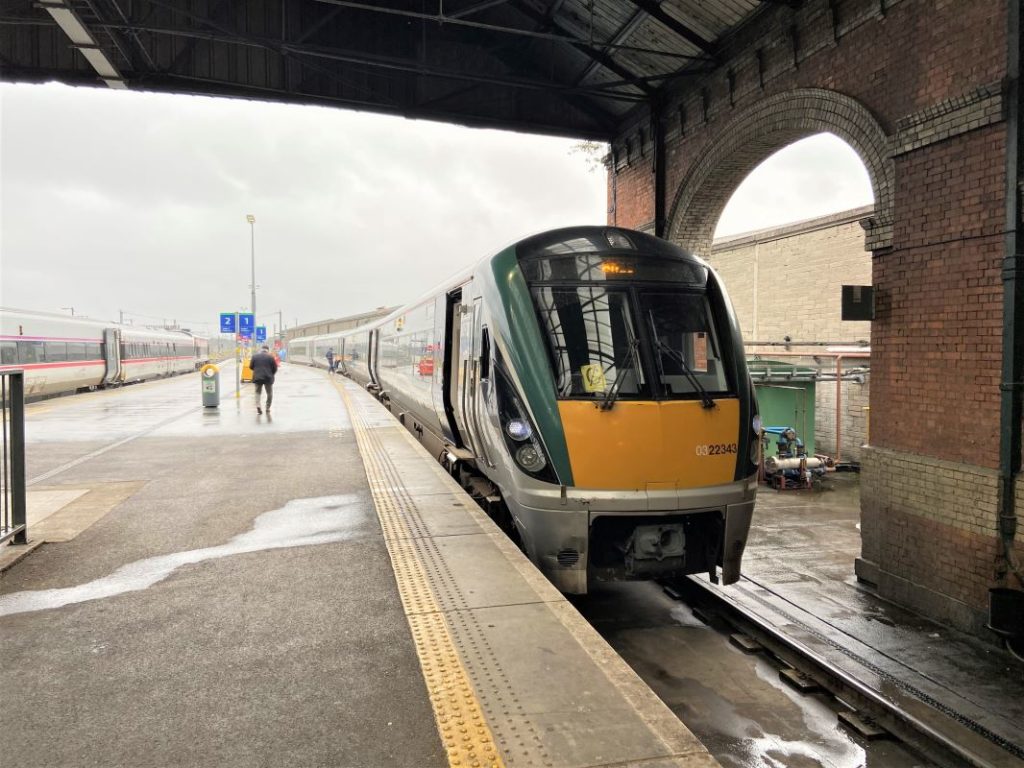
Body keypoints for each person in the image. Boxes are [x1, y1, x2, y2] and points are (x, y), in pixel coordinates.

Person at [251, 344, 278, 415]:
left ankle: (258, 406)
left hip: (258, 378)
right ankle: (267, 407)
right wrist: (271, 374)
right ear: (267, 350)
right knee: (269, 393)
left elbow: (251, 366)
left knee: (257, 392)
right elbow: (275, 368)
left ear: (261, 349)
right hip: (268, 378)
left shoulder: (255, 356)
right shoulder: (271, 357)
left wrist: (257, 371)